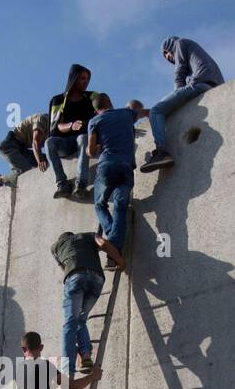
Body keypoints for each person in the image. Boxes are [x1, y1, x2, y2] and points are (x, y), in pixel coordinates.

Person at [140, 36, 224, 173]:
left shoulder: (179, 43)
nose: (167, 57)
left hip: (198, 85)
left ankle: (161, 152)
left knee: (155, 111)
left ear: (169, 46)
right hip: (208, 85)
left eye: (166, 53)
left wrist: (175, 97)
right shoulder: (191, 48)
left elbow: (179, 73)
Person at [87, 94, 145, 267]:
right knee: (120, 206)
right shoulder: (126, 113)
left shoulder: (94, 121)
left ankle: (112, 241)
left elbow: (90, 151)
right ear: (111, 102)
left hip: (107, 164)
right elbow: (143, 112)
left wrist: (97, 147)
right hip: (127, 167)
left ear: (96, 110)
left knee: (100, 204)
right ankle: (113, 251)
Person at [52, 232, 109, 389]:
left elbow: (64, 268)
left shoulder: (56, 247)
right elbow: (103, 243)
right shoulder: (87, 236)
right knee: (80, 320)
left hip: (75, 277)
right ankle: (85, 357)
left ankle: (68, 373)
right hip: (97, 278)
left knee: (69, 325)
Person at [45, 64, 99, 199]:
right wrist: (71, 125)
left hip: (85, 139)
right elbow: (56, 126)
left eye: (87, 79)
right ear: (73, 79)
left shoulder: (92, 97)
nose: (85, 82)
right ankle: (62, 184)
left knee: (82, 138)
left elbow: (103, 114)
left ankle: (81, 185)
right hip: (65, 143)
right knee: (49, 142)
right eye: (82, 78)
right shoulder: (58, 100)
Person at [0, 112, 49, 189]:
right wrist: (40, 160)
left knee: (47, 159)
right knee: (25, 171)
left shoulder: (54, 129)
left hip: (22, 149)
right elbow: (35, 142)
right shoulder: (43, 119)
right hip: (9, 146)